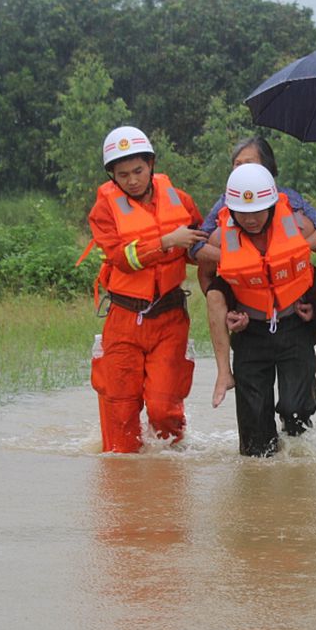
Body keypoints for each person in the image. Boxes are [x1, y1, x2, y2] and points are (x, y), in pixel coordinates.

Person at [87, 126, 208, 453]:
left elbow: (201, 242)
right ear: (112, 176)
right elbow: (119, 258)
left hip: (169, 318)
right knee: (121, 413)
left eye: (138, 171)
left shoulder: (180, 200)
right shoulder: (103, 211)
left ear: (151, 165)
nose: (132, 180)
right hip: (124, 319)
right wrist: (167, 242)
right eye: (123, 174)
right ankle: (126, 488)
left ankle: (169, 475)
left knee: (162, 408)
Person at [192, 136, 316, 401]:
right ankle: (223, 373)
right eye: (236, 165)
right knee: (216, 294)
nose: (241, 171)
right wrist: (231, 257)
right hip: (245, 281)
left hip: (289, 274)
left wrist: (296, 251)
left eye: (248, 163)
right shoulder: (227, 200)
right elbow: (196, 248)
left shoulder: (288, 199)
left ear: (268, 171)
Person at [197, 163, 316, 456]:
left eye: (257, 211)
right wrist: (224, 307)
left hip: (294, 327)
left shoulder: (298, 225)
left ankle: (298, 482)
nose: (250, 219)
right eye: (242, 212)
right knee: (255, 444)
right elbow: (205, 274)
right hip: (250, 333)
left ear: (271, 205)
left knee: (296, 414)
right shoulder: (220, 237)